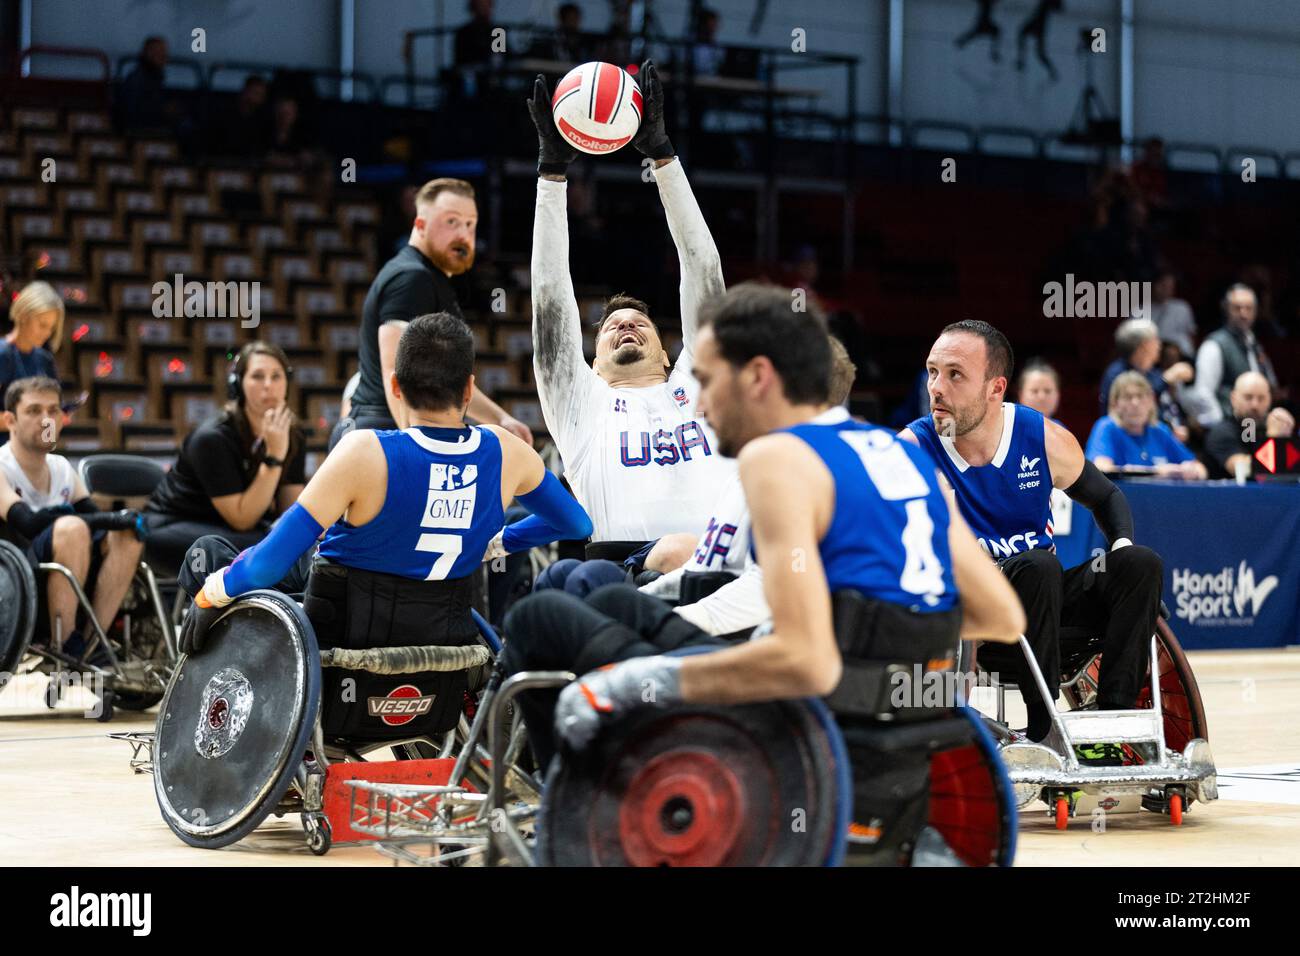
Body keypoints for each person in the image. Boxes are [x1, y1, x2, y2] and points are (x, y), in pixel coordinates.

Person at [502, 284, 1024, 866]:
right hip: (906, 722)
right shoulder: (899, 453)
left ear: (756, 376)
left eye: (708, 380)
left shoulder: (778, 459)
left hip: (796, 715)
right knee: (615, 603)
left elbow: (805, 661)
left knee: (536, 616)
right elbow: (1002, 616)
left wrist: (631, 684)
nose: (698, 405)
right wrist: (873, 617)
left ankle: (587, 818)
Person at [179, 314, 592, 676]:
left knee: (211, 555)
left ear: (394, 386)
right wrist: (500, 542)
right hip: (445, 644)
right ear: (469, 390)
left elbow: (267, 565)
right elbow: (575, 522)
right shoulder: (508, 451)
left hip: (339, 647)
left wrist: (211, 592)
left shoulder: (363, 451)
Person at [901, 320, 1164, 747]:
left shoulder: (1042, 438)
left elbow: (1107, 497)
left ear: (995, 387)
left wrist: (1120, 544)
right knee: (1039, 564)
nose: (936, 387)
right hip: (981, 622)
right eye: (932, 372)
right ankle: (1045, 728)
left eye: (954, 375)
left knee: (1140, 563)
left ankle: (1112, 723)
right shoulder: (913, 451)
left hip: (1049, 602)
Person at [527, 61, 733, 557]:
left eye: (641, 322)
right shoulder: (581, 404)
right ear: (592, 364)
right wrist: (552, 176)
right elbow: (551, 297)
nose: (625, 324)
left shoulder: (696, 383)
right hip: (622, 574)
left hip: (718, 569)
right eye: (612, 326)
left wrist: (663, 157)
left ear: (669, 356)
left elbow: (702, 266)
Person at [337, 177, 531, 448]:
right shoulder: (411, 278)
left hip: (386, 432)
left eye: (470, 224)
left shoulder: (431, 278)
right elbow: (395, 369)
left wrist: (500, 418)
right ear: (420, 225)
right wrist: (413, 448)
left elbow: (449, 381)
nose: (463, 233)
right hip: (381, 432)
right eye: (451, 222)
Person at [0, 377, 145, 658]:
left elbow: (97, 519)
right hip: (15, 578)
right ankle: (64, 647)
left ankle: (94, 644)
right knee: (72, 527)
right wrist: (84, 518)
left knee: (127, 536)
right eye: (34, 411)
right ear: (10, 421)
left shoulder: (62, 467)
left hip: (67, 569)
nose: (46, 420)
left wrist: (124, 521)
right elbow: (27, 524)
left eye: (53, 411)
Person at [144, 342, 307, 576]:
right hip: (172, 525)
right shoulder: (213, 438)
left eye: (276, 376)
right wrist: (273, 457)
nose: (268, 385)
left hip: (227, 529)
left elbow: (289, 510)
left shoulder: (292, 434)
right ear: (238, 385)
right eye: (258, 377)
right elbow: (242, 518)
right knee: (264, 547)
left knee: (296, 545)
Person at [1086, 371, 1206, 478]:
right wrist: (1156, 472)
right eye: (1128, 397)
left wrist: (1190, 471)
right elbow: (1101, 469)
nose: (1135, 403)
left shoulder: (1159, 430)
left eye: (1141, 396)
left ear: (1150, 401)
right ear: (1115, 404)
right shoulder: (1107, 427)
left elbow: (1201, 469)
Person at [1194, 284, 1279, 424]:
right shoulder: (1214, 345)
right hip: (1230, 424)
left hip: (1255, 424)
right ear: (1226, 309)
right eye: (1237, 308)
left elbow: (1270, 383)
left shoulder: (1254, 343)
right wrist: (1218, 423)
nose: (1243, 314)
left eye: (1249, 308)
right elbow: (1203, 393)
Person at [1098, 318, 1193, 443]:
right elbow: (1135, 409)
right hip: (1130, 440)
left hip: (1165, 438)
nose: (1160, 345)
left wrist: (1178, 427)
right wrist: (1165, 379)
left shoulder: (1153, 372)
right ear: (1144, 345)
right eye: (1155, 340)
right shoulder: (1117, 374)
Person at [1, 281, 63, 447]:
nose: (46, 333)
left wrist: (47, 446)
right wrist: (25, 422)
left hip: (33, 456)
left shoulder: (45, 359)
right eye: (42, 325)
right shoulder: (2, 354)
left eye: (51, 328)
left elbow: (50, 415)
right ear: (23, 315)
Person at [1203, 372, 1297, 480]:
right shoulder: (1221, 432)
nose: (1255, 405)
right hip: (1232, 495)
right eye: (1248, 397)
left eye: (1261, 398)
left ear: (1270, 400)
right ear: (1233, 398)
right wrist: (1273, 439)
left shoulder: (1273, 426)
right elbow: (1242, 470)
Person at [1148, 262, 1196, 359]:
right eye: (1163, 285)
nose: (1166, 289)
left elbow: (1191, 336)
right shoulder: (1140, 310)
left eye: (1170, 285)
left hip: (1182, 356)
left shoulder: (1183, 307)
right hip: (1154, 357)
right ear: (1153, 285)